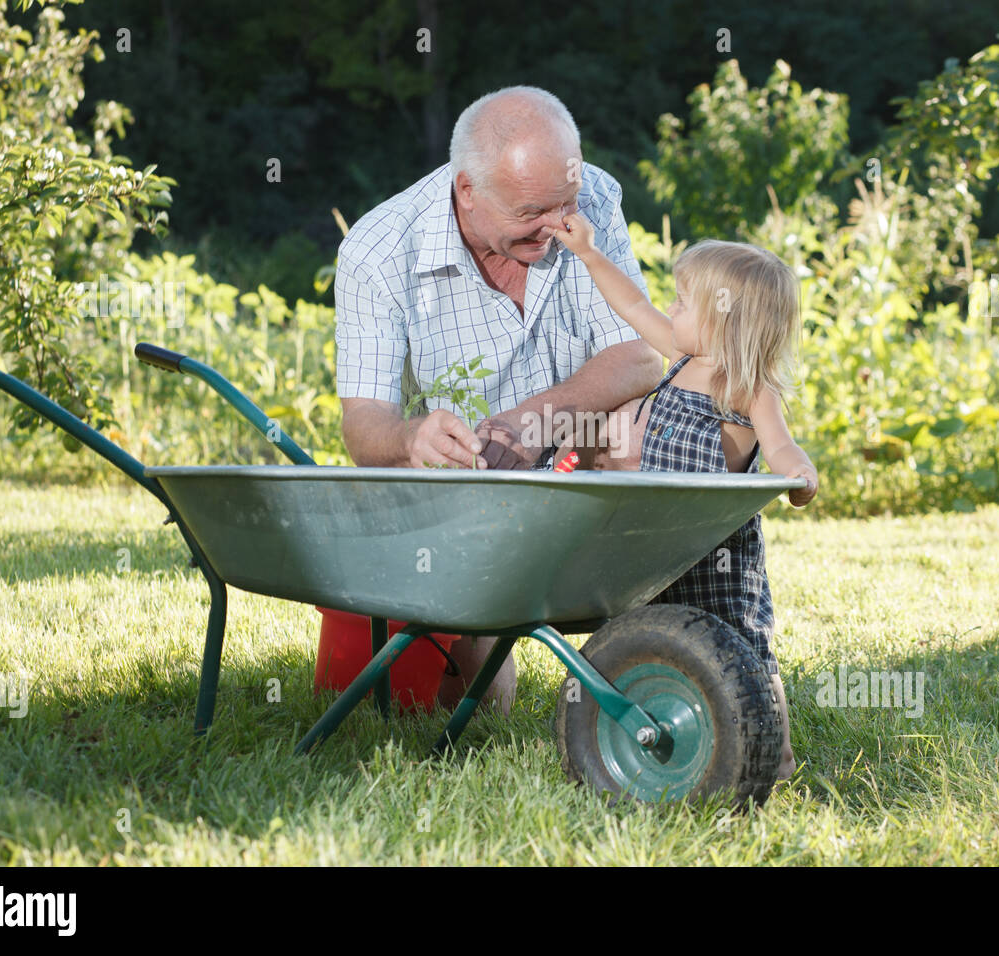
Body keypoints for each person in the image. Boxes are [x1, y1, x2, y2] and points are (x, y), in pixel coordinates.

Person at [333, 86, 660, 713]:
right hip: (469, 479)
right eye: (531, 213)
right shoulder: (378, 253)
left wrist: (535, 419)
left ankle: (643, 653)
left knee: (635, 434)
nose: (558, 227)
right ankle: (481, 645)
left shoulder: (587, 196)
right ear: (467, 192)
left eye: (564, 205)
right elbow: (364, 427)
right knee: (477, 715)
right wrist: (412, 438)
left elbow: (641, 354)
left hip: (576, 446)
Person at [553, 214, 819, 780]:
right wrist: (590, 254)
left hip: (717, 552)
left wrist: (800, 475)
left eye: (683, 300)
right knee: (655, 637)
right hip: (660, 542)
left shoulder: (747, 389)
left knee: (745, 651)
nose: (671, 309)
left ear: (726, 318)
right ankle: (669, 731)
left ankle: (779, 756)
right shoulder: (679, 356)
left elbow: (783, 448)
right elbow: (631, 305)